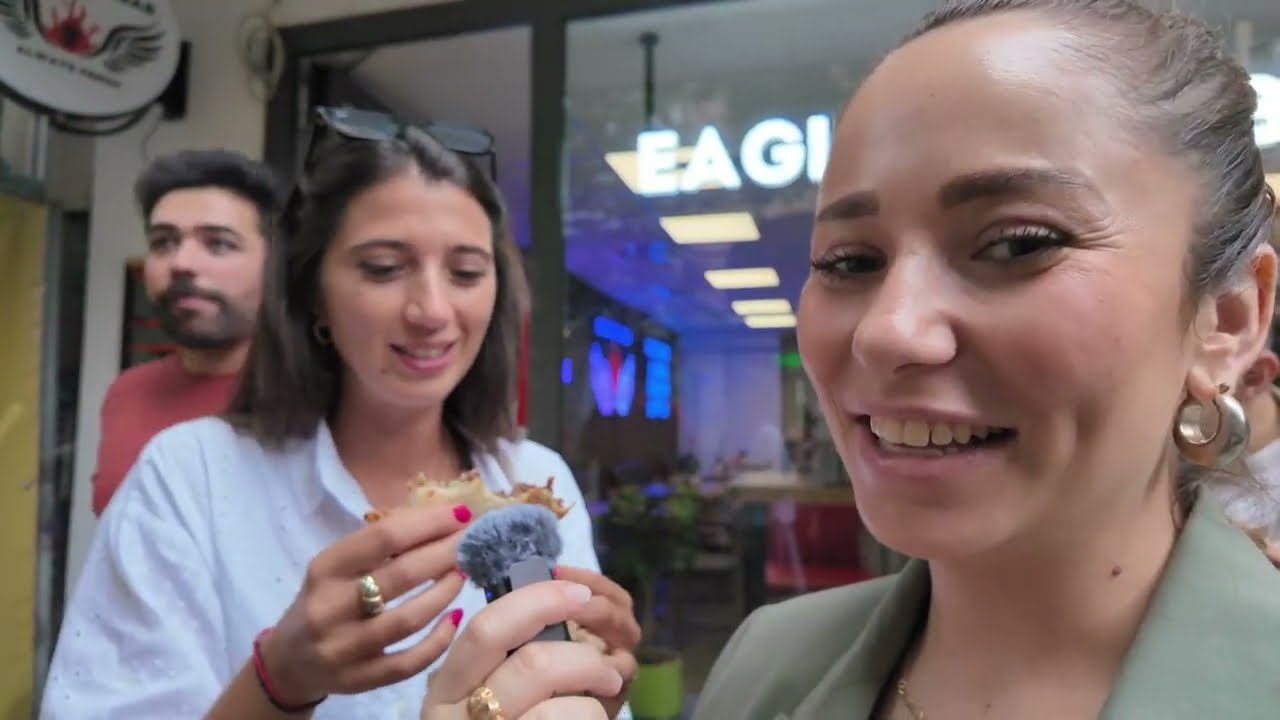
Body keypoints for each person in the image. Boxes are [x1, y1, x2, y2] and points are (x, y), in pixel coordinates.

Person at [690, 1, 1280, 718]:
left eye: (1019, 243)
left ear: (1226, 320)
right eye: (849, 261)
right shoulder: (765, 665)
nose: (887, 331)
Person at [42, 110, 639, 719]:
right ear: (314, 298)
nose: (431, 309)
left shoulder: (534, 481)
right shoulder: (190, 477)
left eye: (465, 272)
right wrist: (278, 684)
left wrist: (597, 692)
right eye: (383, 268)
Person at [92, 149, 283, 515]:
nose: (181, 263)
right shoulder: (127, 393)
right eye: (163, 242)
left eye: (218, 244)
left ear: (274, 265)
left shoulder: (323, 400)